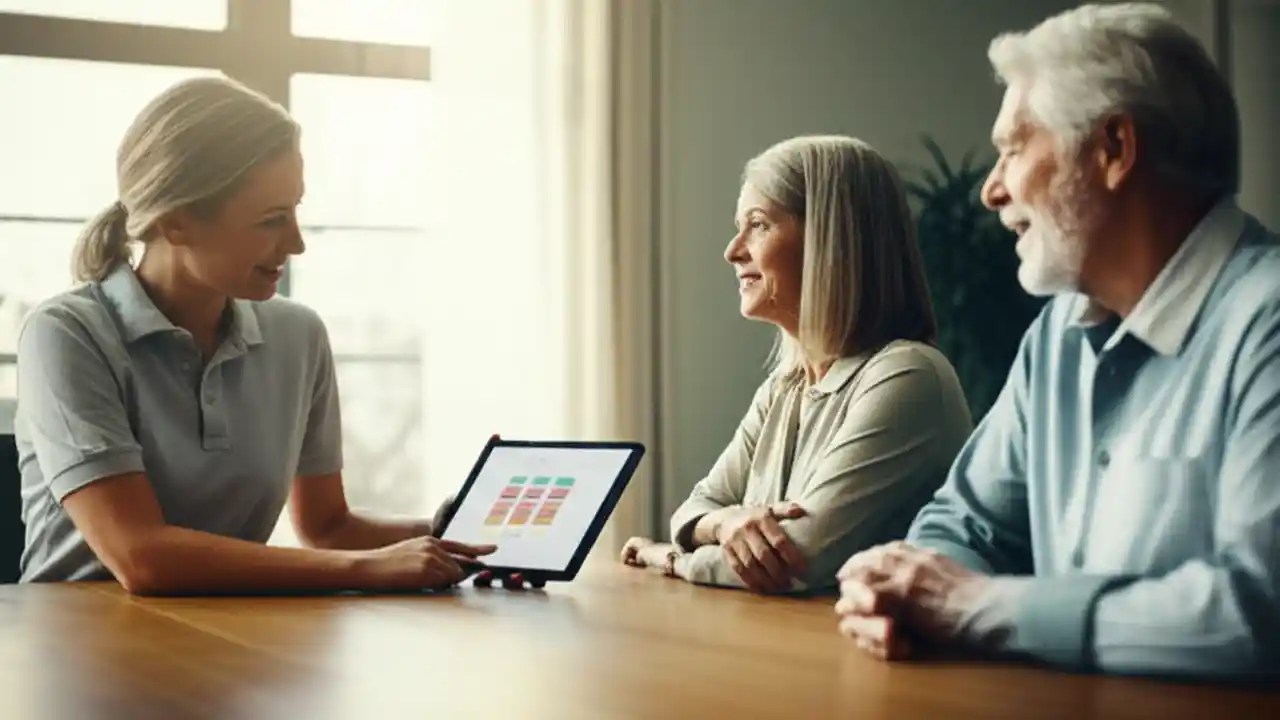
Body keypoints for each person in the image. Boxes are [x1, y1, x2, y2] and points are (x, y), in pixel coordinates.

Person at [835, 3, 1280, 679]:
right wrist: (900, 587)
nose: (991, 189)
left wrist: (976, 605)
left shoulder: (1266, 323)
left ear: (1114, 150)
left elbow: (1257, 614)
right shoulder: (1056, 337)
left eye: (1013, 147)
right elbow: (967, 524)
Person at [14, 76, 496, 594]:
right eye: (272, 220)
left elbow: (328, 527)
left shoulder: (299, 335)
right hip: (75, 646)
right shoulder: (64, 335)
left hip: (235, 639)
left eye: (295, 212)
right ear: (176, 224)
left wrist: (451, 536)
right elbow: (143, 556)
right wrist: (369, 569)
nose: (297, 243)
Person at [620, 136, 972, 593]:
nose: (732, 250)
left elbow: (794, 561)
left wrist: (666, 556)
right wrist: (726, 525)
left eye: (758, 225)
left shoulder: (908, 377)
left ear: (831, 240)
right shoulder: (782, 390)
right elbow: (693, 509)